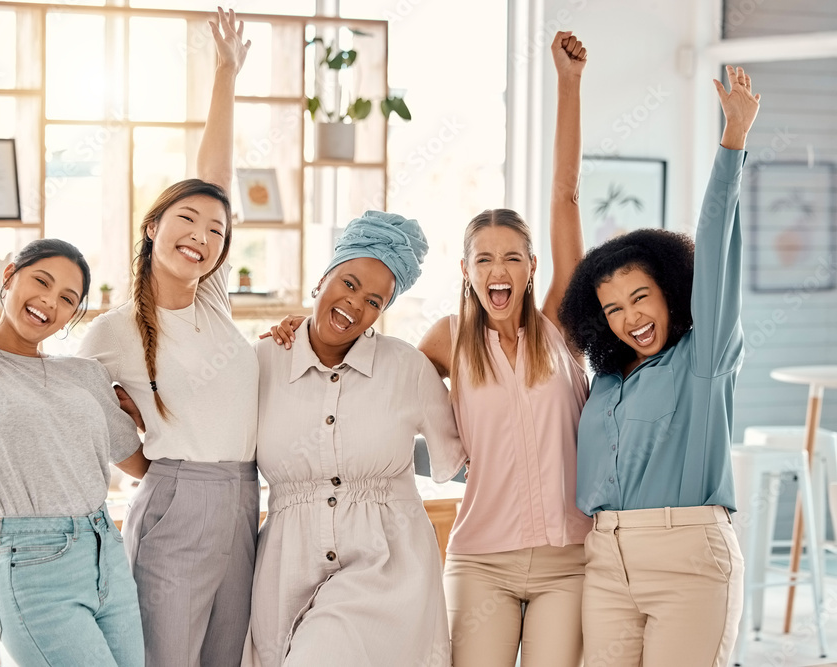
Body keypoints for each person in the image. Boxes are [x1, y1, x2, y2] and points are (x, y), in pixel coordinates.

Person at [0, 78, 146, 666]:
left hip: (108, 553)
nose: (51, 301)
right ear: (9, 278)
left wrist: (146, 414)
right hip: (35, 568)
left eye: (69, 298)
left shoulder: (84, 376)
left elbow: (141, 465)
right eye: (41, 281)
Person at [557, 65, 759, 666]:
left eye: (641, 297)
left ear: (673, 290)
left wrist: (733, 141)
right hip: (605, 560)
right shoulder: (607, 384)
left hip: (690, 559)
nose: (630, 318)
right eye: (613, 308)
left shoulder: (705, 359)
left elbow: (718, 248)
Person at [76, 8, 256, 666]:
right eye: (187, 219)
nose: (203, 236)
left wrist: (227, 73)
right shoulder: (111, 330)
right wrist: (153, 469)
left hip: (244, 496)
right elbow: (88, 421)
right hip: (177, 499)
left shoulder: (214, 300)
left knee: (223, 658)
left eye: (216, 229)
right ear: (153, 226)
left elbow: (218, 175)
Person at [413, 31, 590, 667]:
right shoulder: (447, 341)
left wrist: (568, 85)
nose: (499, 268)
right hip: (480, 558)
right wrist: (304, 327)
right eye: (484, 258)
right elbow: (372, 375)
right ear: (466, 270)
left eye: (512, 256)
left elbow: (564, 198)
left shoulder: (563, 331)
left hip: (570, 559)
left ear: (532, 266)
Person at [243, 211, 467, 667]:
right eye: (348, 283)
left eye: (374, 301)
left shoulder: (406, 368)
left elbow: (460, 460)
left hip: (386, 569)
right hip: (287, 569)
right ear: (323, 277)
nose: (355, 304)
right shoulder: (261, 363)